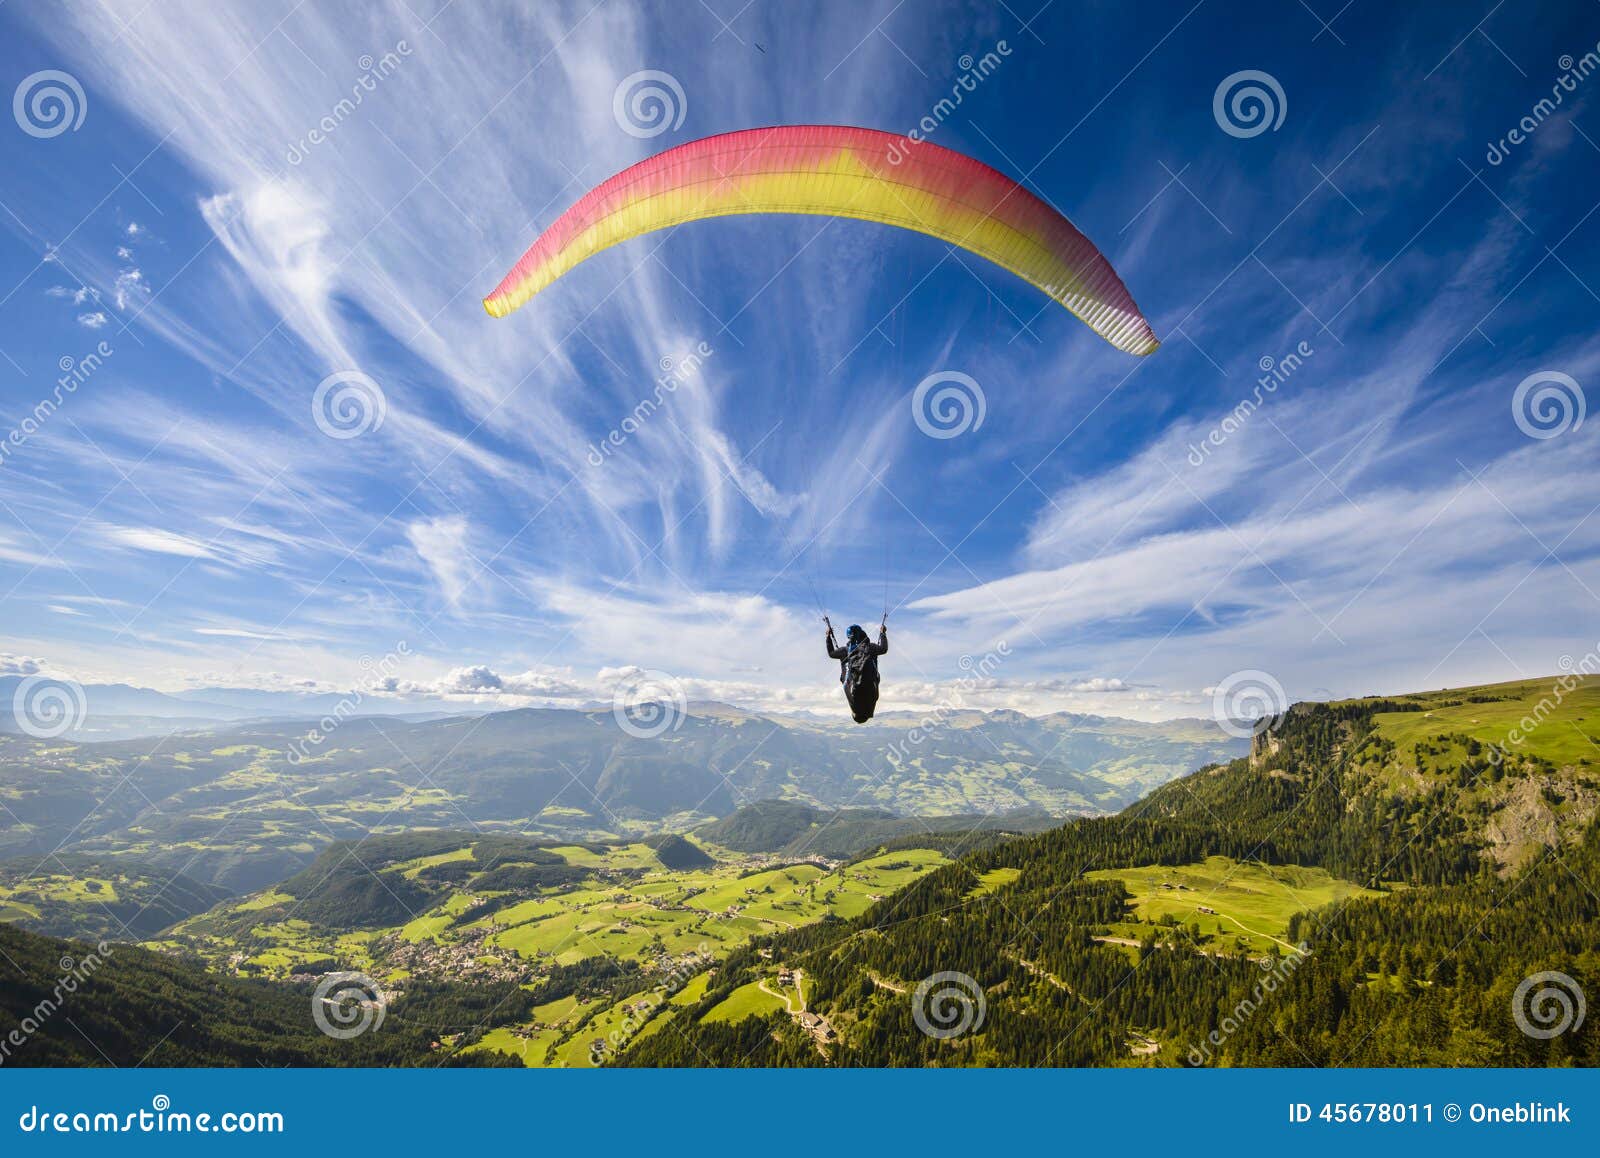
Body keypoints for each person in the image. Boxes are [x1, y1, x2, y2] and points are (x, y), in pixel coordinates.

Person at [825, 617, 888, 723]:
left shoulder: (853, 650)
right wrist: (828, 636)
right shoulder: (868, 648)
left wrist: (883, 633)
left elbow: (883, 649)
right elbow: (831, 653)